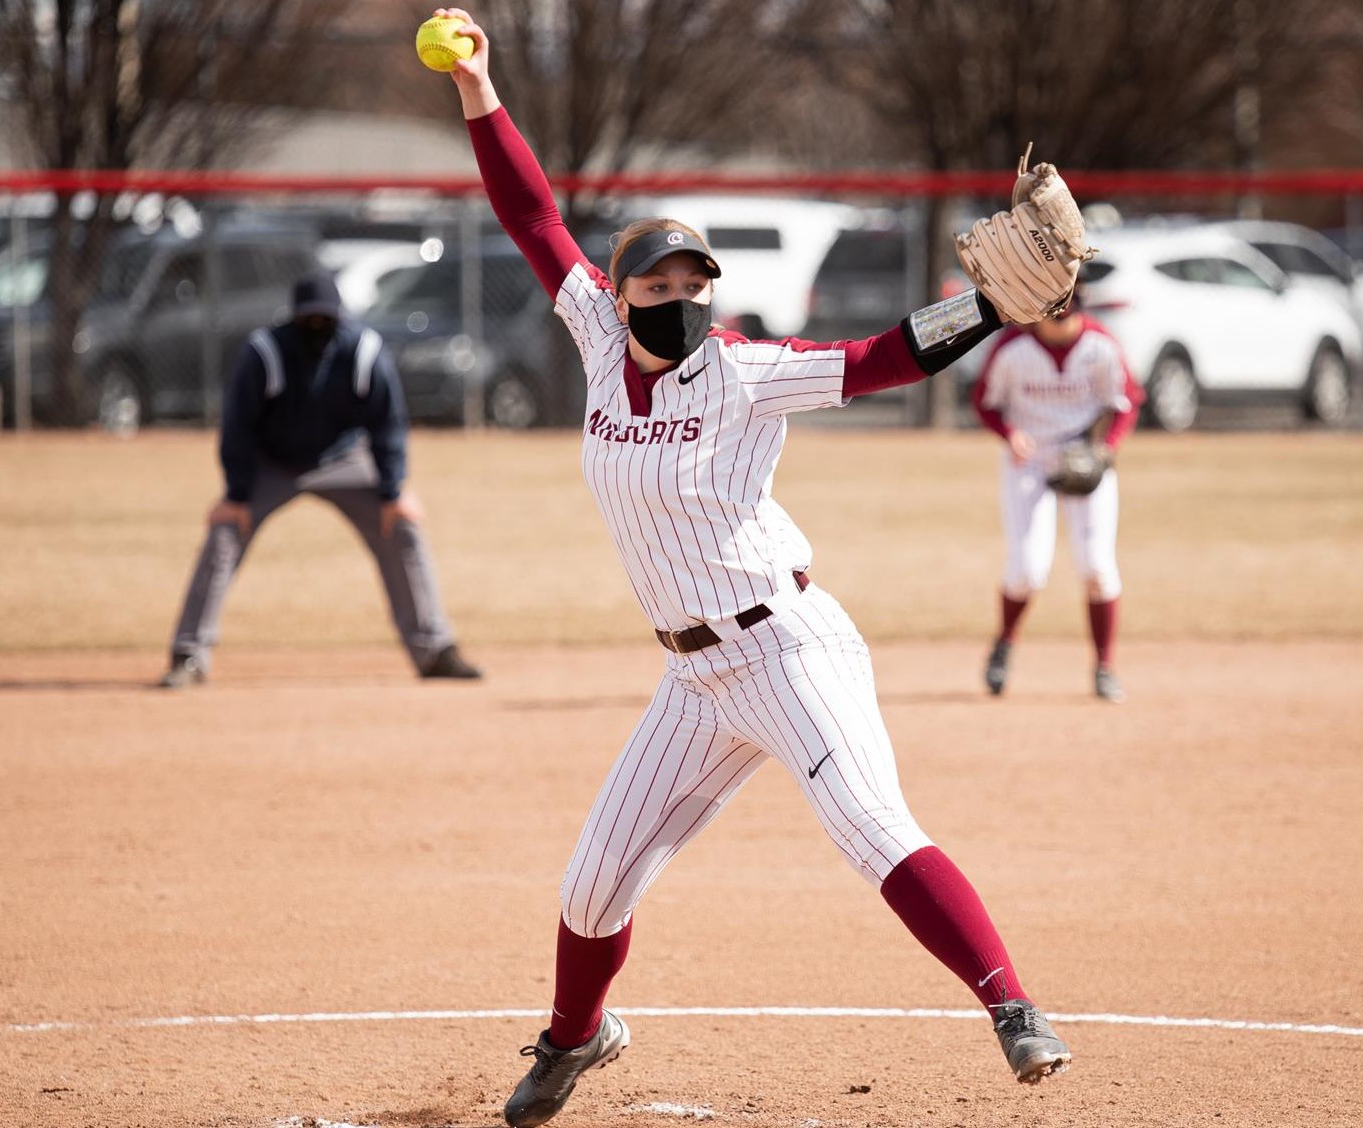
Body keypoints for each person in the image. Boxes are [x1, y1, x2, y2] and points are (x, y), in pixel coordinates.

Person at [429, 9, 1071, 1126]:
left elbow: (877, 360)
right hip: (690, 677)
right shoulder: (591, 339)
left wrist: (984, 305)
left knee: (871, 825)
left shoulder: (739, 372)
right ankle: (575, 1039)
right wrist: (480, 90)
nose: (680, 301)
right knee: (590, 885)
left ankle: (1012, 1008)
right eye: (660, 286)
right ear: (621, 295)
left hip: (785, 642)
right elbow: (533, 215)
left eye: (695, 285)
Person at [159, 270, 481, 687]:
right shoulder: (264, 352)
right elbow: (237, 424)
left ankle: (434, 649)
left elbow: (388, 423)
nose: (317, 328)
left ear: (341, 318)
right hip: (270, 463)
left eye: (325, 319)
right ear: (292, 318)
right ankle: (189, 655)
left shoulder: (363, 350)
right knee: (224, 533)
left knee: (401, 526)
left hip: (343, 459)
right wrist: (237, 495)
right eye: (309, 319)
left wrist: (392, 490)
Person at [971, 292, 1142, 703]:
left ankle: (1104, 667)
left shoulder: (1100, 344)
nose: (1067, 330)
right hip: (1029, 459)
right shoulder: (1014, 348)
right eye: (1057, 321)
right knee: (1028, 568)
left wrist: (1106, 448)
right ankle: (1004, 645)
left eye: (1072, 320)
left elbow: (1126, 402)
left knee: (1097, 567)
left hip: (1084, 455)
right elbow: (984, 402)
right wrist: (1009, 434)